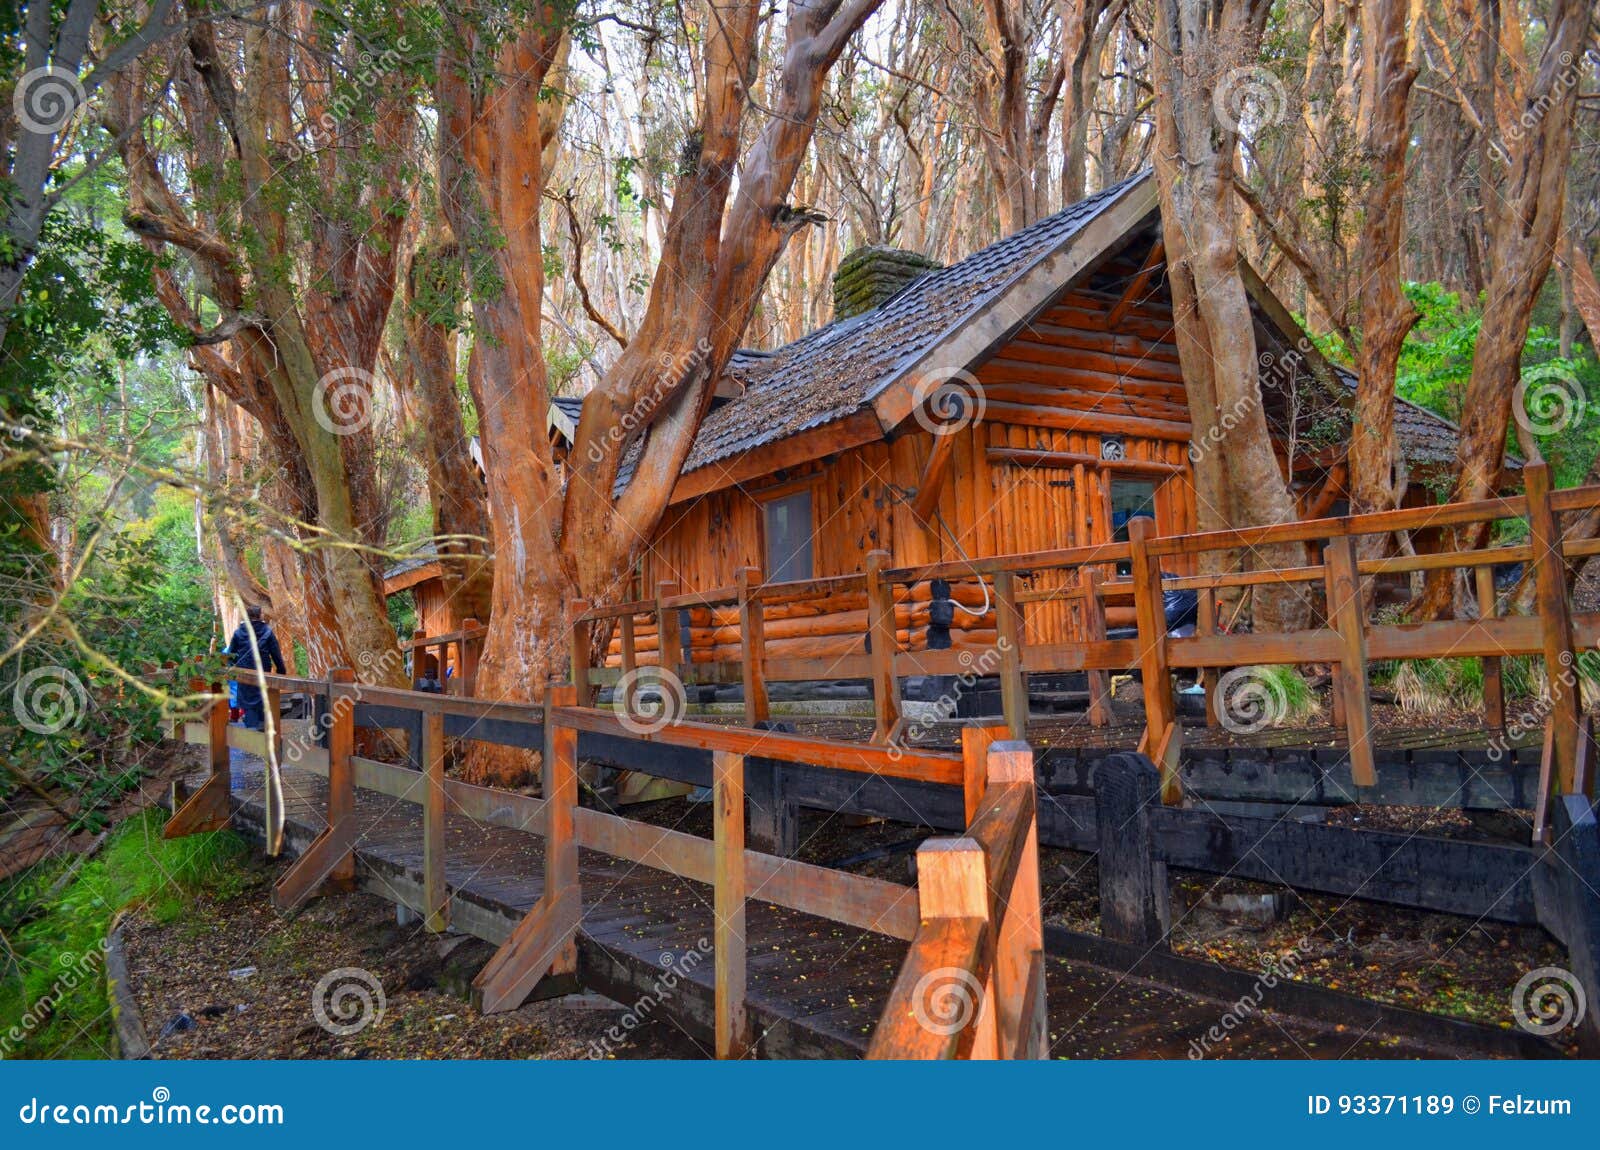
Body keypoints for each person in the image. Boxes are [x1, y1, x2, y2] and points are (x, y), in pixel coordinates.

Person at [226, 605, 286, 730]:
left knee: (248, 701)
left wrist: (236, 664)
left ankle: (252, 732)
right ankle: (262, 729)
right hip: (263, 671)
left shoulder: (238, 633)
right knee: (262, 697)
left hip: (244, 672)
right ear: (259, 616)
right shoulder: (268, 631)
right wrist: (281, 670)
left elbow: (230, 655)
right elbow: (275, 653)